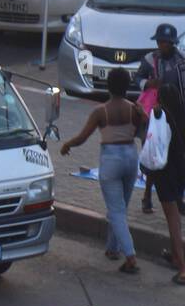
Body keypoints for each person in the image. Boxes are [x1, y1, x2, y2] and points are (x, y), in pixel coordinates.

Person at [59, 67, 147, 274]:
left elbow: (82, 137)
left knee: (116, 211)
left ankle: (130, 256)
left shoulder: (101, 111)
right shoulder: (135, 108)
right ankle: (112, 248)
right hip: (131, 156)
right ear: (127, 87)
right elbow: (144, 131)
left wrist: (67, 145)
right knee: (121, 208)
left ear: (108, 86)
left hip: (111, 159)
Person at [138, 23, 185, 218]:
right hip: (156, 117)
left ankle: (179, 199)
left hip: (178, 116)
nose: (162, 45)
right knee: (153, 157)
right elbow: (137, 78)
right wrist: (148, 83)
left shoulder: (183, 60)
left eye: (166, 42)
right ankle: (147, 195)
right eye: (160, 41)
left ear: (173, 43)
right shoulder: (150, 59)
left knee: (179, 159)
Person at [146, 82, 185, 284]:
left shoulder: (161, 115)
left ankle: (182, 268)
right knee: (174, 215)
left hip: (165, 172)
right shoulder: (181, 117)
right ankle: (175, 256)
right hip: (180, 171)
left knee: (172, 219)